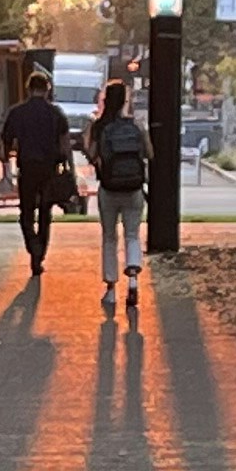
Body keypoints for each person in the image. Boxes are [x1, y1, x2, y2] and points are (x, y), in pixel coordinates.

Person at [0, 64, 73, 279]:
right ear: (47, 88)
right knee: (45, 212)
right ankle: (39, 255)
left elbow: (6, 140)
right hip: (49, 169)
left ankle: (32, 243)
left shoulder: (17, 113)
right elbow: (65, 144)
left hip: (27, 167)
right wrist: (70, 169)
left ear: (28, 88)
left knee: (26, 211)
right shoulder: (56, 113)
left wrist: (7, 163)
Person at [86, 75, 151, 313]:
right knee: (132, 234)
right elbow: (149, 154)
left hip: (109, 187)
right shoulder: (135, 126)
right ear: (125, 100)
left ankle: (111, 288)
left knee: (109, 237)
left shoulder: (99, 126)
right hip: (133, 188)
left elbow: (92, 153)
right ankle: (133, 277)